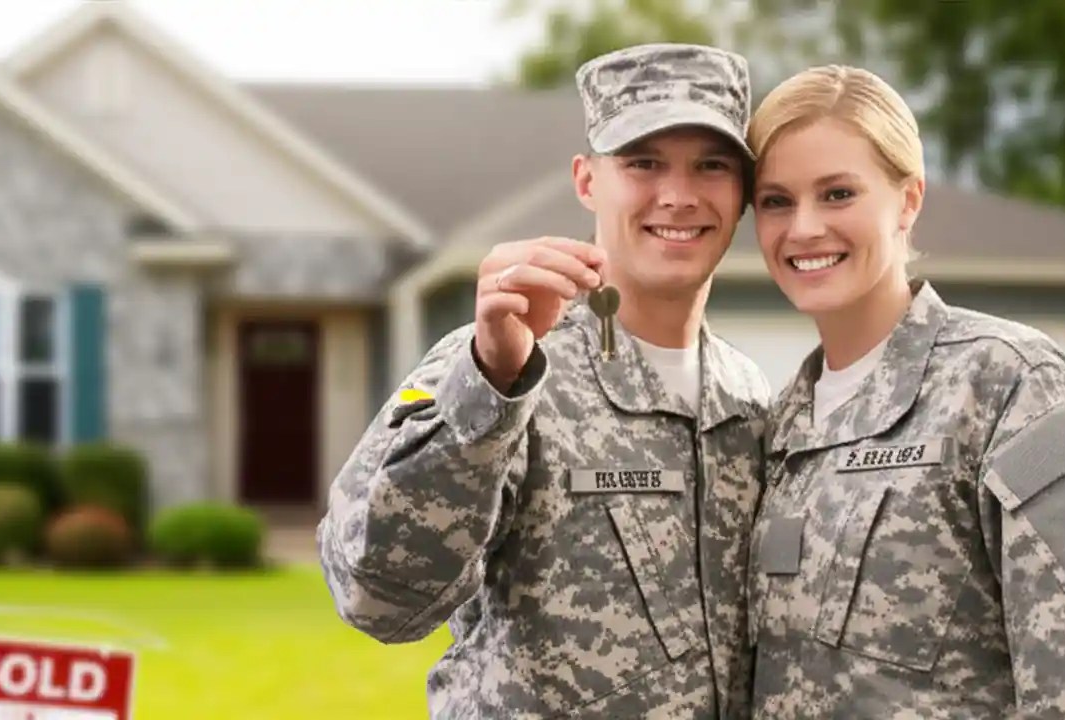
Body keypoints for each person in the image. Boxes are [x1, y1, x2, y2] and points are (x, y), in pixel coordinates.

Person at [317, 44, 770, 719]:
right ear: (587, 181)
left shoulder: (750, 398)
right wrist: (490, 385)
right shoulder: (493, 365)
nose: (678, 195)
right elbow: (376, 598)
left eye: (712, 165)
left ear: (743, 195)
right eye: (643, 162)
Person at [744, 64, 1065, 718]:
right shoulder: (779, 426)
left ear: (908, 200)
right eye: (776, 201)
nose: (804, 228)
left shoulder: (1007, 383)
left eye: (838, 193)